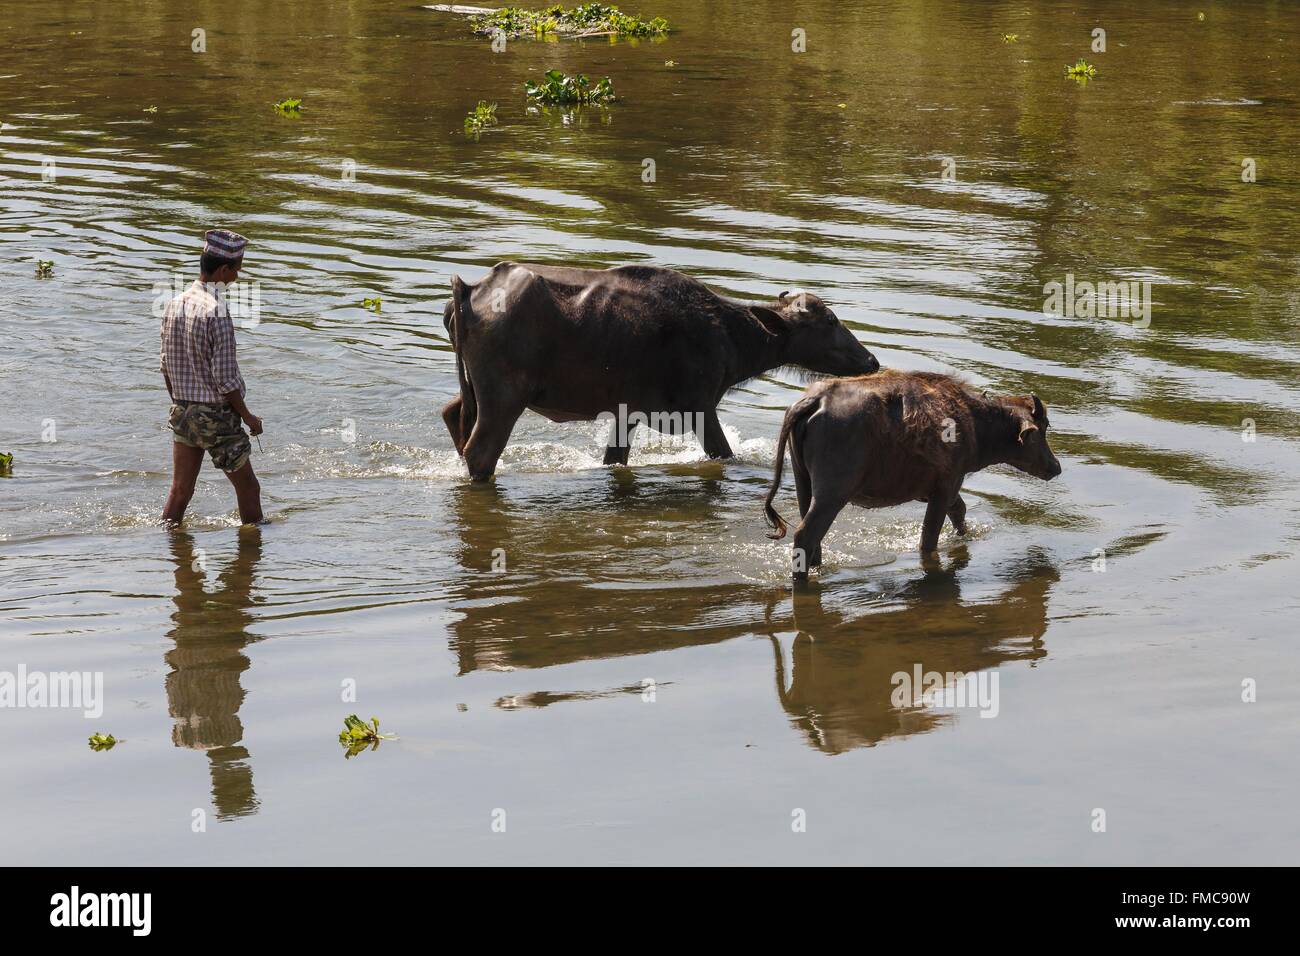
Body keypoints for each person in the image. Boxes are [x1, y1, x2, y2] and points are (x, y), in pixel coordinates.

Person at [160, 229, 264, 525]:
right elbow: (225, 379)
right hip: (216, 415)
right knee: (248, 488)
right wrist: (248, 418)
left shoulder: (174, 304)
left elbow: (166, 366)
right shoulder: (217, 311)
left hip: (182, 409)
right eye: (237, 268)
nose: (238, 276)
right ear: (223, 269)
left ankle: (168, 547)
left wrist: (184, 405)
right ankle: (253, 554)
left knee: (180, 490)